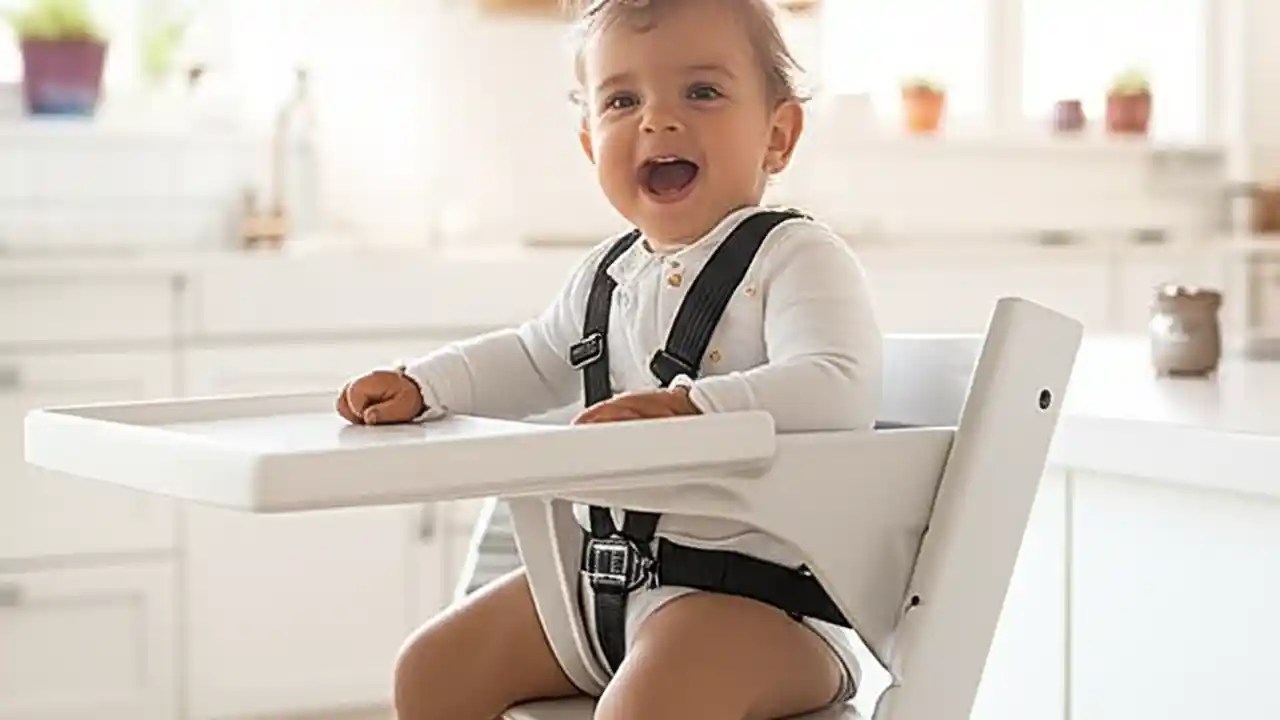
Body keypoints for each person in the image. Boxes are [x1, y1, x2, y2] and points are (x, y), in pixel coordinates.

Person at [336, 0, 882, 717]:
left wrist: (693, 407)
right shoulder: (605, 276)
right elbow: (531, 358)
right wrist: (423, 384)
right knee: (431, 671)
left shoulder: (794, 256)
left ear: (778, 136)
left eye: (703, 92)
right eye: (624, 99)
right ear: (593, 143)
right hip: (605, 593)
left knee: (646, 707)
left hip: (760, 606)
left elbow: (838, 388)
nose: (658, 120)